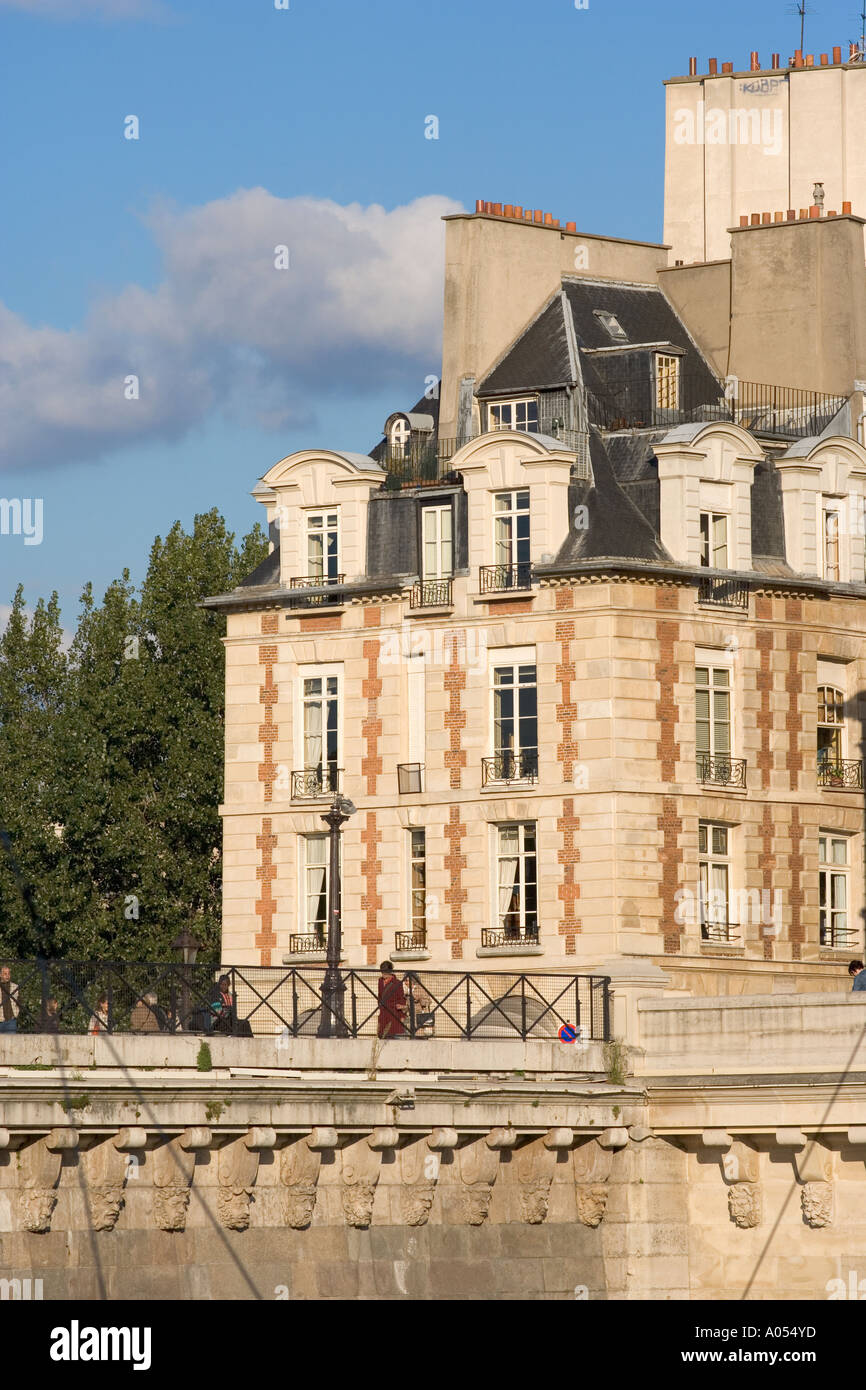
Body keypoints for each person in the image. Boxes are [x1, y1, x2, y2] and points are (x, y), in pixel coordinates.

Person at [377, 961, 406, 1038]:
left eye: (385, 972)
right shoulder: (380, 981)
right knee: (381, 1035)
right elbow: (379, 995)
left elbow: (401, 999)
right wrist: (380, 1006)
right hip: (383, 1013)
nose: (383, 974)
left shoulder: (397, 983)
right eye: (382, 972)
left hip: (393, 1013)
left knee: (393, 1035)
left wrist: (402, 1016)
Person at [0, 965, 20, 1034]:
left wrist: (16, 1013)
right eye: (5, 974)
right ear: (0, 975)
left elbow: (19, 1002)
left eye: (8, 973)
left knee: (11, 1043)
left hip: (11, 1021)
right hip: (0, 1020)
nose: (7, 976)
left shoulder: (15, 987)